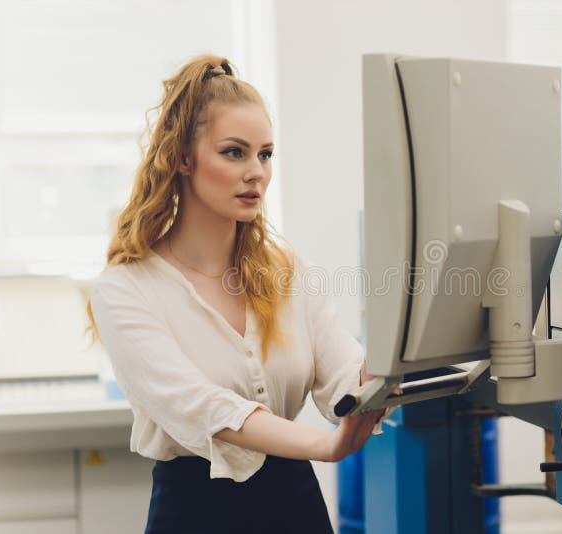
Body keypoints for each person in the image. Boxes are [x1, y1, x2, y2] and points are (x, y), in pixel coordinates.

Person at [84, 54, 384, 534]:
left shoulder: (285, 271)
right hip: (195, 513)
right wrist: (324, 446)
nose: (257, 172)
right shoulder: (126, 289)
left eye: (265, 154)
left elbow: (342, 373)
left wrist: (386, 368)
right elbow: (201, 406)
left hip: (296, 509)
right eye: (234, 152)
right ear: (184, 157)